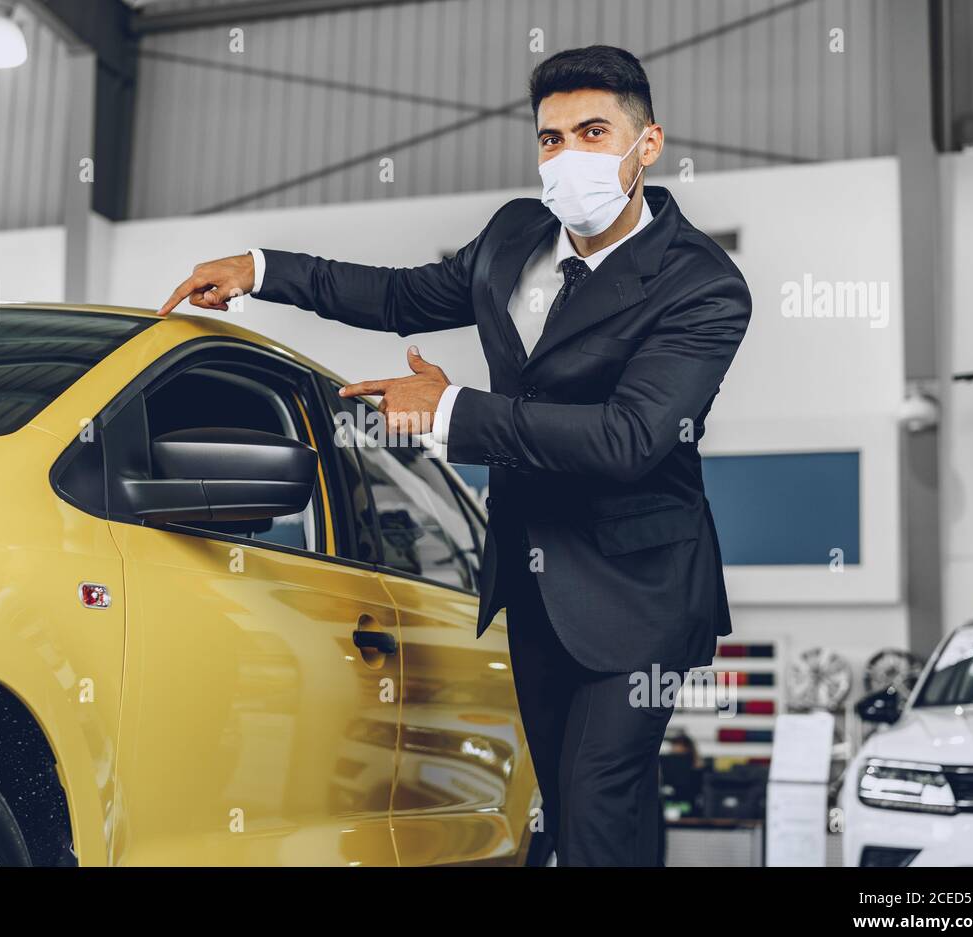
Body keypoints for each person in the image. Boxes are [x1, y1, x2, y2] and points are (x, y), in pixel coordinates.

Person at [157, 44, 751, 867]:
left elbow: (630, 439)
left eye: (592, 132)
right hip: (536, 580)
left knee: (597, 801)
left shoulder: (703, 285)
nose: (569, 156)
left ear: (646, 145)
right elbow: (401, 296)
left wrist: (453, 413)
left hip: (640, 591)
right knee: (577, 805)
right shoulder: (515, 235)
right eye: (551, 139)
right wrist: (261, 270)